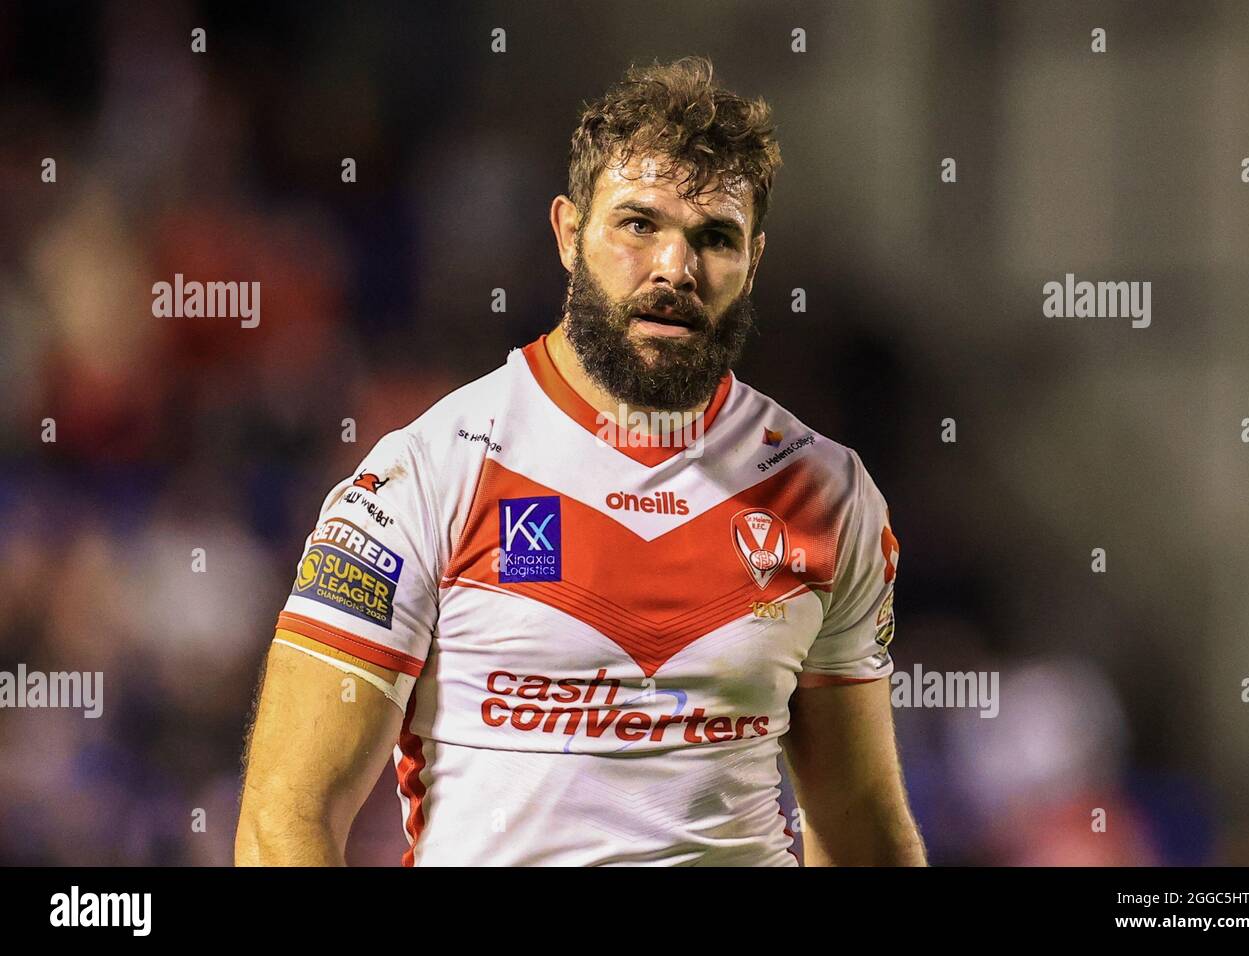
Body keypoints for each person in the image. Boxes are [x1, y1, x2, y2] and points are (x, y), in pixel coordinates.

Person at [235, 55, 925, 866]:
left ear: (754, 260)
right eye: (639, 225)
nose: (676, 268)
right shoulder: (422, 476)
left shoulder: (828, 494)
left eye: (714, 238)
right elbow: (285, 820)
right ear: (568, 233)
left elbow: (858, 823)